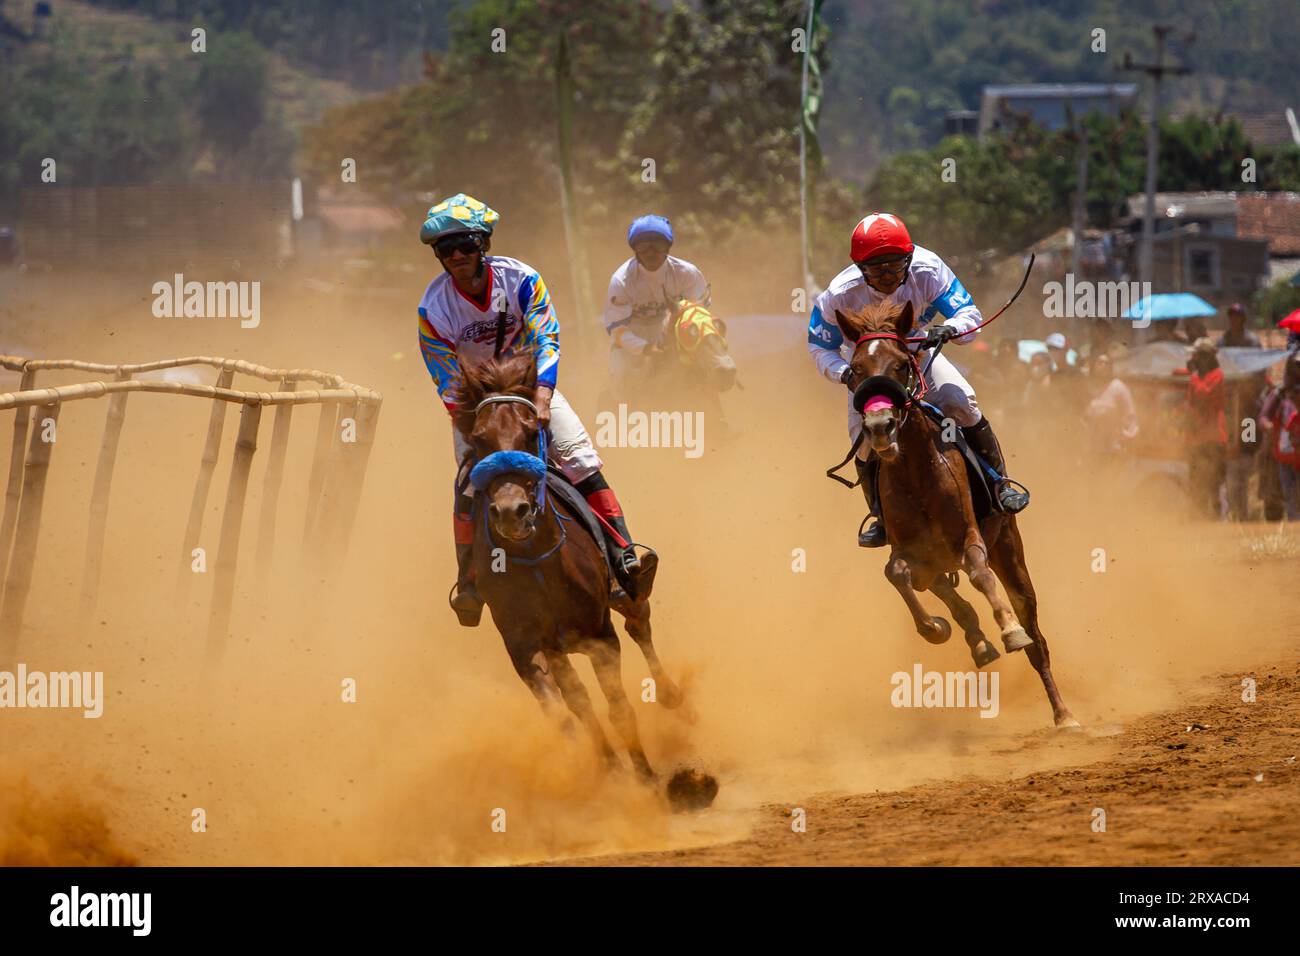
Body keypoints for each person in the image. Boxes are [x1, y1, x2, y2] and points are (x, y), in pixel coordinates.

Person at [416, 193, 657, 625]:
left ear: (483, 244)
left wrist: (543, 397)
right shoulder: (432, 307)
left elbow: (547, 337)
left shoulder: (522, 279)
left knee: (580, 460)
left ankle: (624, 554)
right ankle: (469, 581)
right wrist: (473, 424)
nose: (456, 256)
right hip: (476, 404)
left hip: (531, 389)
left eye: (465, 245)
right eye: (444, 250)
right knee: (469, 484)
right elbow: (444, 374)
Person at [807, 212, 1029, 548]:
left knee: (961, 402)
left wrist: (950, 328)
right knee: (862, 438)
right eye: (875, 269)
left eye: (895, 266)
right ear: (859, 268)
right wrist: (846, 374)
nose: (887, 276)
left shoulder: (928, 268)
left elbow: (970, 315)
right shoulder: (838, 293)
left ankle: (1000, 484)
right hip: (871, 373)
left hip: (918, 356)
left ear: (909, 259)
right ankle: (881, 517)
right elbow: (819, 346)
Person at [602, 215, 710, 389]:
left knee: (706, 371)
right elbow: (617, 330)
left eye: (658, 246)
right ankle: (619, 414)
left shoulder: (687, 273)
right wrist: (646, 348)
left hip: (675, 335)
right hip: (632, 340)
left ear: (668, 248)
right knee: (620, 377)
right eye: (643, 247)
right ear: (635, 250)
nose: (651, 252)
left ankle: (717, 414)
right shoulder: (621, 280)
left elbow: (699, 315)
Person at [1184, 338, 1228, 519]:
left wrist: (1193, 376)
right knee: (1196, 483)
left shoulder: (1216, 375)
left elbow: (1202, 395)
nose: (1193, 359)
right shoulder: (1198, 377)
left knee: (1213, 484)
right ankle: (1199, 522)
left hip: (1213, 438)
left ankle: (1215, 522)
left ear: (1205, 357)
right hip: (1197, 438)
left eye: (1196, 356)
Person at [1260, 351, 1300, 520]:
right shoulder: (1279, 394)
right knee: (1288, 494)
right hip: (1284, 453)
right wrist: (1266, 426)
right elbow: (1261, 417)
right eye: (1296, 366)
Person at [1082, 352, 1138, 457]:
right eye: (1100, 362)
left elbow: (1131, 418)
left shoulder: (1119, 388)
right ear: (1094, 365)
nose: (1103, 366)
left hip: (1113, 450)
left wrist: (1125, 439)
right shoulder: (1089, 387)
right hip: (1092, 449)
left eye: (1106, 363)